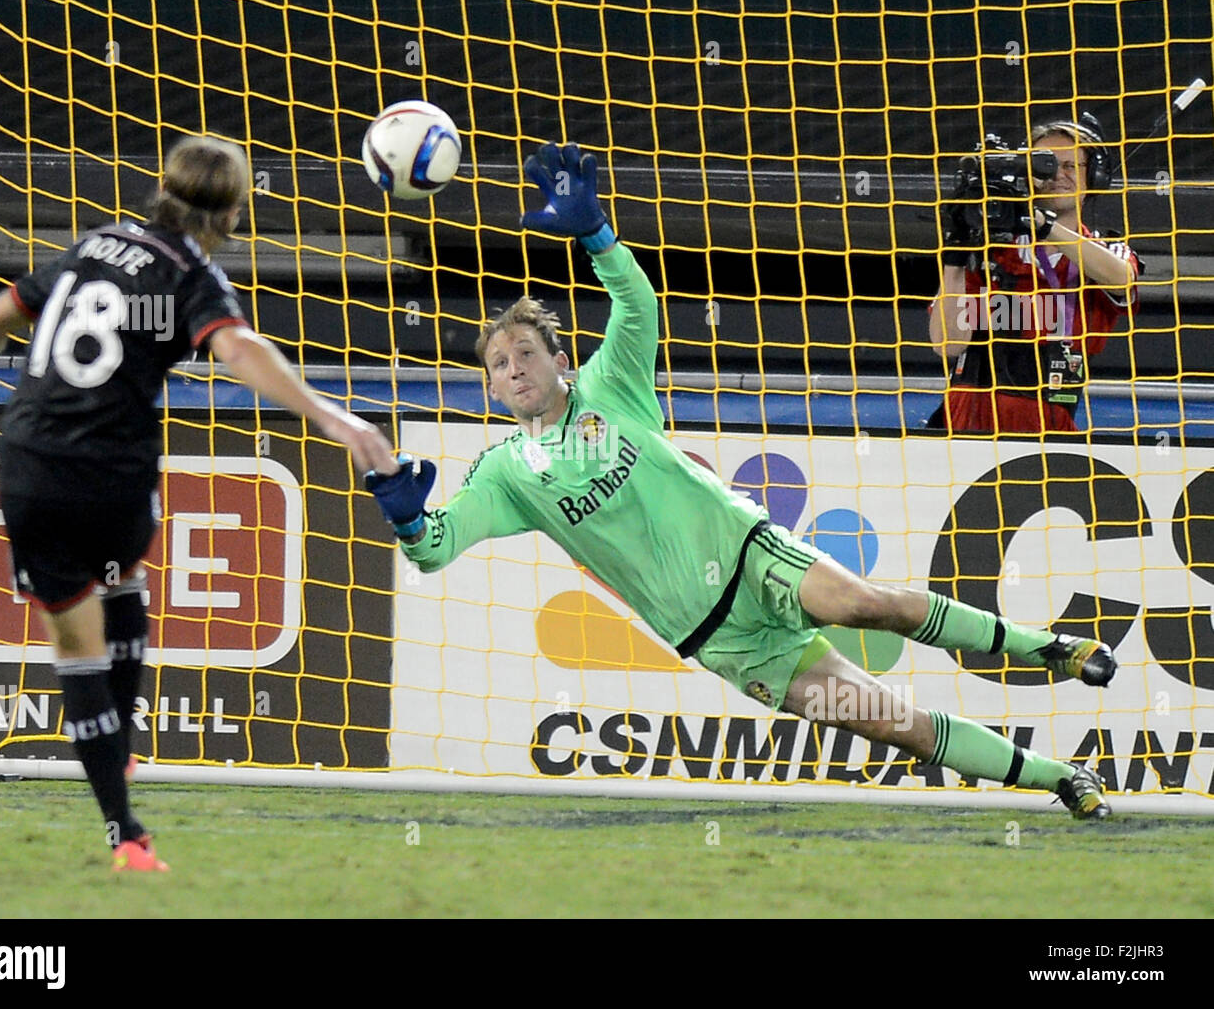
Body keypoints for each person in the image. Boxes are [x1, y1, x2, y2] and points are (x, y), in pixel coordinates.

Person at [367, 141, 1118, 819]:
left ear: (560, 361)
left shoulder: (612, 383)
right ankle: (1061, 778)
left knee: (866, 603)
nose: (515, 368)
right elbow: (434, 550)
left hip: (749, 552)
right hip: (720, 638)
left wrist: (597, 235)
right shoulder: (503, 474)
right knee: (894, 724)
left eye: (526, 352)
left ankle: (1047, 646)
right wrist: (406, 518)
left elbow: (637, 303)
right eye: (499, 365)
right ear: (492, 392)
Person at [0, 135, 398, 870]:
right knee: (119, 588)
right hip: (111, 472)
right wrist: (335, 418)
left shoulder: (95, 245)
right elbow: (237, 351)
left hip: (28, 462)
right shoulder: (191, 274)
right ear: (234, 213)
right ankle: (126, 818)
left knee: (79, 642)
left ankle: (123, 814)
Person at [928, 117, 1142, 434]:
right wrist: (956, 255)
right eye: (1045, 166)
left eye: (1071, 166)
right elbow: (947, 345)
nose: (1058, 175)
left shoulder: (1107, 253)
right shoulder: (989, 252)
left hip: (1049, 427)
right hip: (963, 422)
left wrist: (1042, 225)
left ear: (1093, 177)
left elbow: (1121, 278)